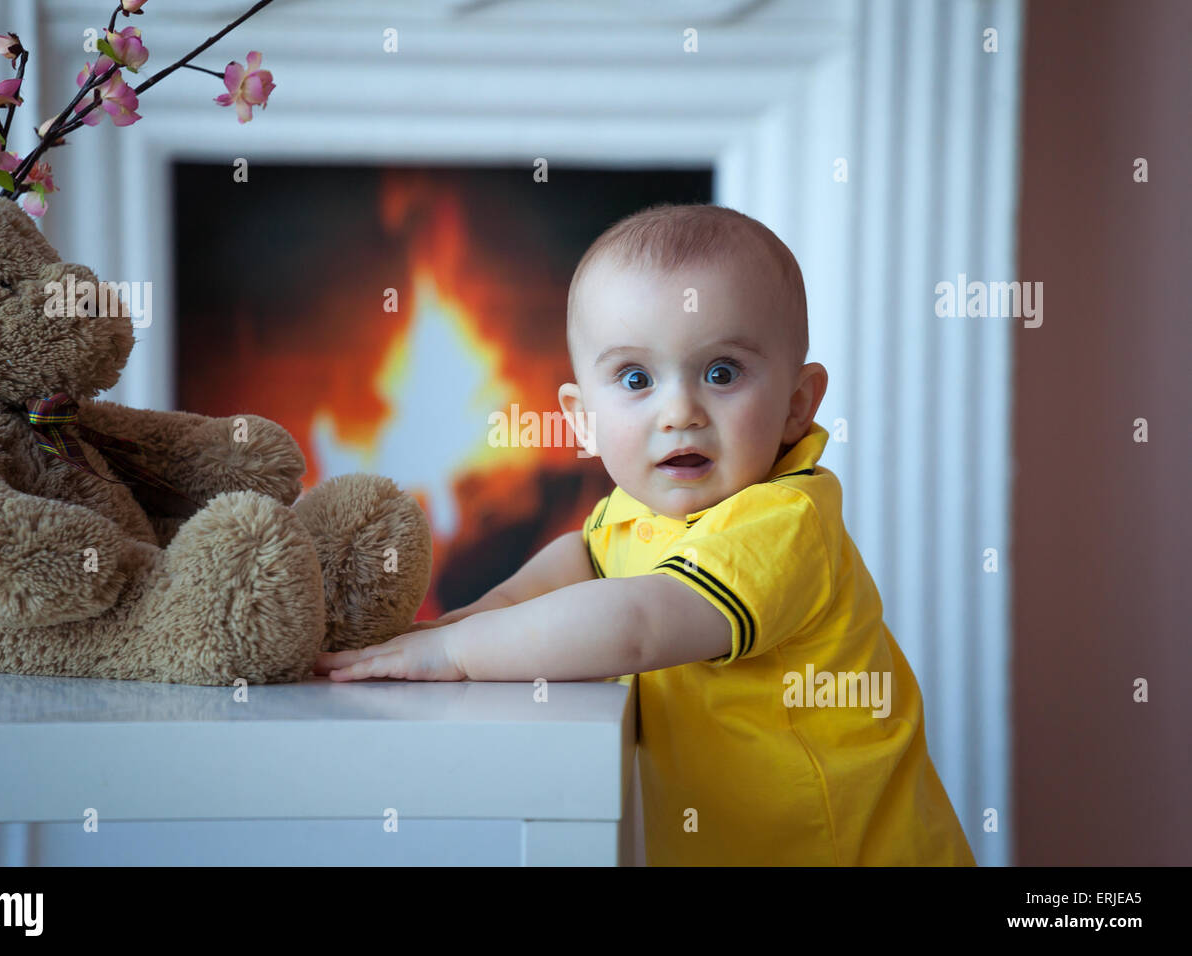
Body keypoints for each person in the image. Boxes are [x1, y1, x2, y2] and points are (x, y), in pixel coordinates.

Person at [315, 203, 976, 866]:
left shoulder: (783, 520)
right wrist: (471, 618)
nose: (680, 411)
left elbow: (637, 623)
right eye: (636, 379)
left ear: (796, 406)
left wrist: (457, 653)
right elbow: (576, 562)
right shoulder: (635, 512)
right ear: (582, 418)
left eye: (722, 372)